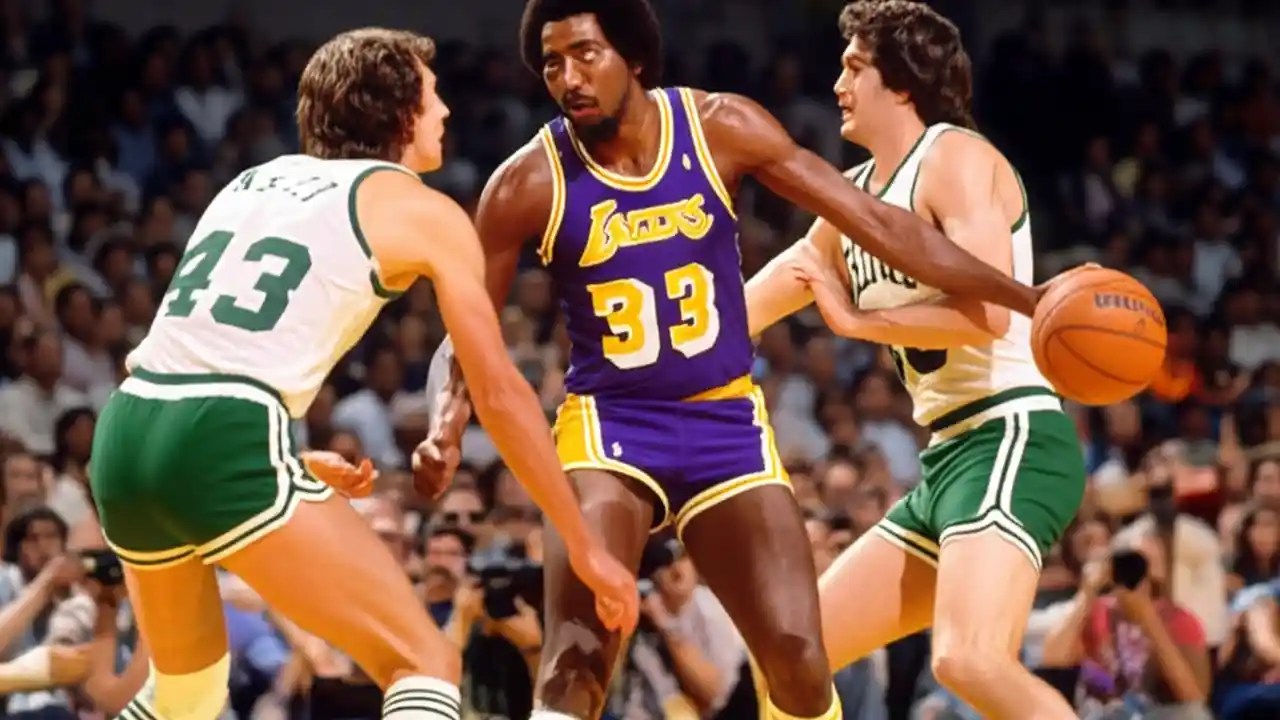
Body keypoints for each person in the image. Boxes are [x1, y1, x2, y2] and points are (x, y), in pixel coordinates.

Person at [412, 1, 1062, 718]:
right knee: (578, 652)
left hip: (726, 425)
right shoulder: (525, 182)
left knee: (799, 655)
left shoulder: (721, 126)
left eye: (585, 54)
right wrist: (446, 421)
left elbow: (879, 227)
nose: (568, 76)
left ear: (634, 57)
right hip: (610, 429)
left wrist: (1029, 298)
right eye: (552, 63)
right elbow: (463, 329)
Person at [86, 28, 636, 720]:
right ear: (401, 111)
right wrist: (583, 547)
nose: (445, 113)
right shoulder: (424, 210)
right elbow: (495, 389)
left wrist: (273, 455)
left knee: (186, 693)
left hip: (129, 429)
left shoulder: (248, 182)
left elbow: (180, 356)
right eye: (434, 98)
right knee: (423, 663)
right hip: (222, 435)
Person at [746, 2, 1086, 719]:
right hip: (948, 458)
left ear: (900, 82)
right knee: (792, 658)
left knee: (968, 659)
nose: (837, 82)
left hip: (1011, 436)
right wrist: (646, 360)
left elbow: (988, 313)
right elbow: (764, 297)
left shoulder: (956, 158)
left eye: (854, 67)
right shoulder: (857, 197)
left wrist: (859, 322)